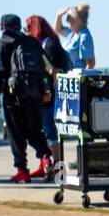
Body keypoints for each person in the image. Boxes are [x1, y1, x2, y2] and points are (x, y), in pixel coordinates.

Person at [0, 14, 55, 183]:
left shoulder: (2, 43)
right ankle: (46, 159)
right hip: (35, 94)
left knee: (15, 133)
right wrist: (47, 90)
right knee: (35, 129)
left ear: (3, 27)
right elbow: (48, 67)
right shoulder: (32, 42)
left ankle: (22, 170)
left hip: (13, 95)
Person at [25, 15, 73, 171]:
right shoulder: (46, 44)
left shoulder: (49, 45)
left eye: (27, 28)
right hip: (47, 94)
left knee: (50, 130)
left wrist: (47, 91)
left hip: (50, 96)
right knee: (47, 130)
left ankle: (57, 164)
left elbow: (54, 71)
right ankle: (48, 162)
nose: (26, 32)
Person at [54, 4, 96, 69]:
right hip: (69, 76)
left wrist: (82, 78)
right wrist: (59, 16)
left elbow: (90, 64)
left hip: (76, 77)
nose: (67, 20)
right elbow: (58, 29)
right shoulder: (72, 33)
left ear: (78, 20)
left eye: (69, 17)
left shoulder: (84, 37)